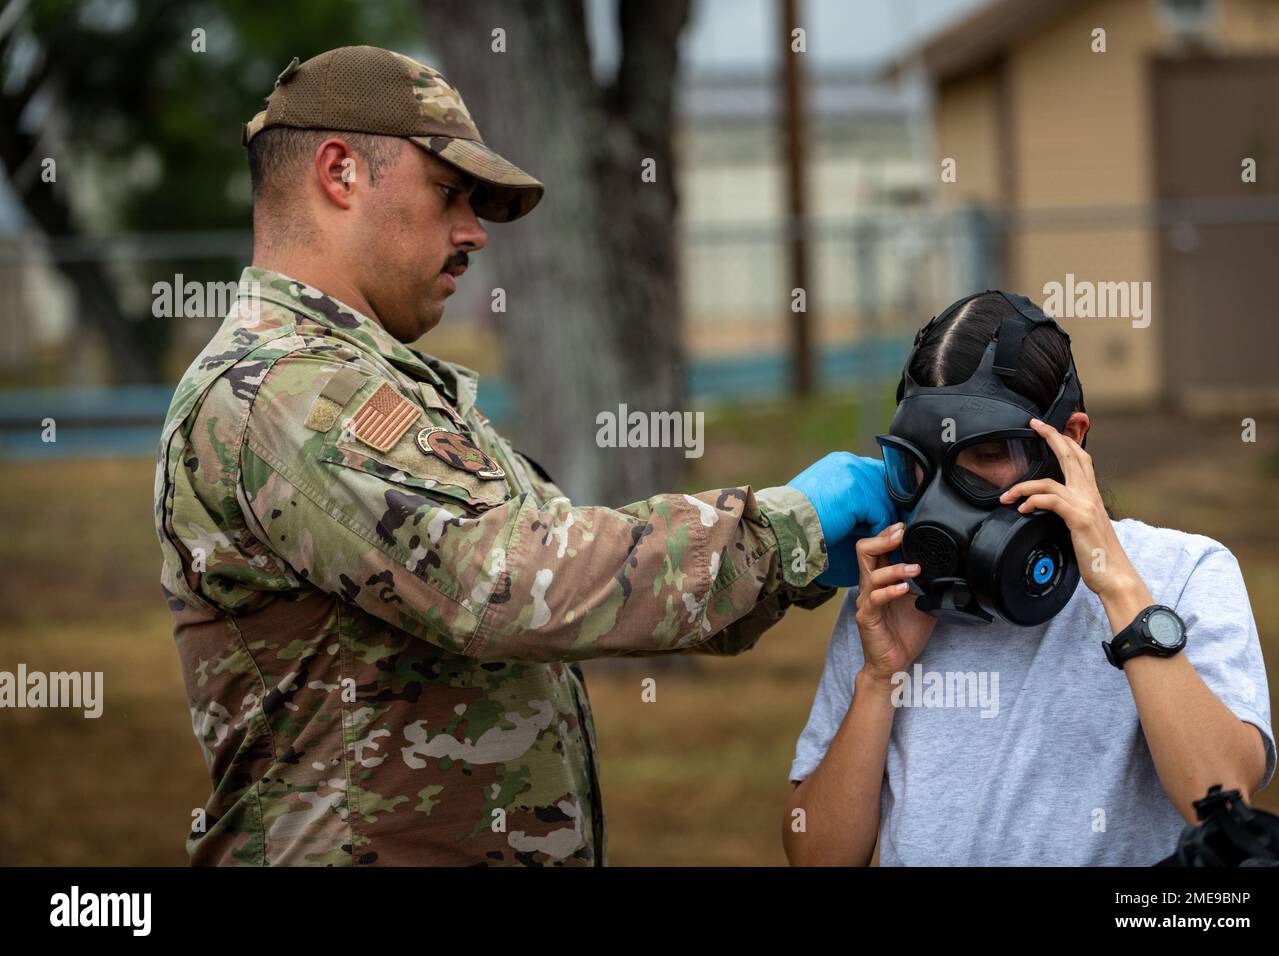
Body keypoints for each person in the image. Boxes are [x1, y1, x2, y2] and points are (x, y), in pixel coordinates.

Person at [154, 45, 894, 866]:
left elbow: (570, 596)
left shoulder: (370, 385)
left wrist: (783, 565)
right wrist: (785, 528)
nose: (473, 232)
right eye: (449, 192)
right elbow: (505, 582)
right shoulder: (283, 389)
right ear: (340, 173)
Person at [783, 291, 1276, 866]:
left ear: (1069, 438)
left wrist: (1120, 589)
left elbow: (1216, 798)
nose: (941, 503)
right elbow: (817, 857)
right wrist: (878, 678)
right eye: (920, 461)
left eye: (988, 454)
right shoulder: (893, 596)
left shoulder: (1183, 573)